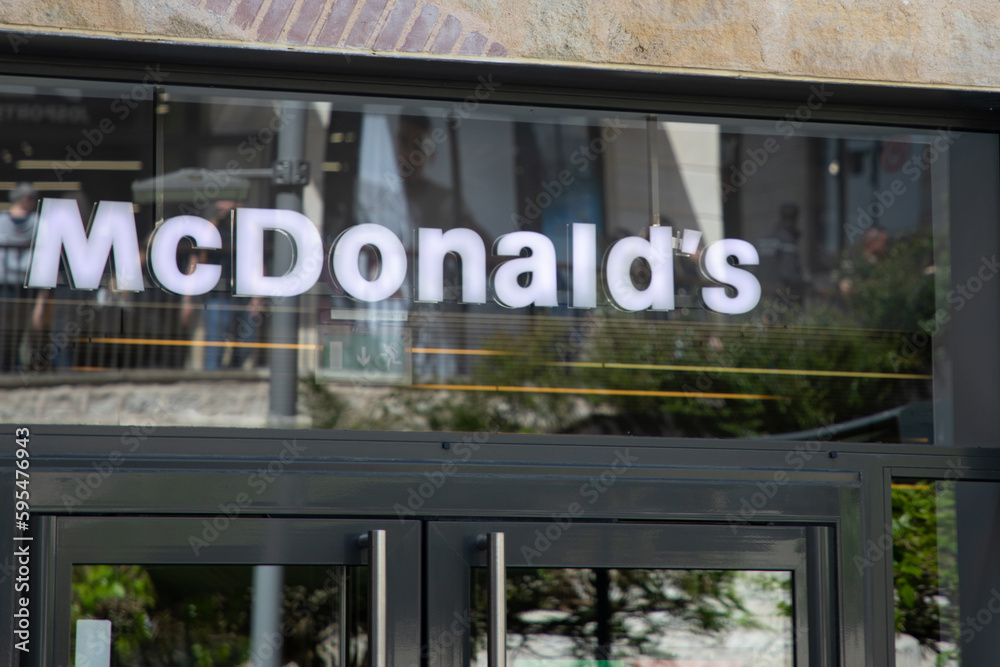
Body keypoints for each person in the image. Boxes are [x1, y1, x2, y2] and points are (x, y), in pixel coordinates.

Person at [0, 183, 40, 372]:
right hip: (25, 286)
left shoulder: (1, 222)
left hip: (5, 283)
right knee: (18, 332)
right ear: (26, 199)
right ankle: (12, 368)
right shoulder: (39, 224)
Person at [756, 202, 806, 301]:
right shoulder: (787, 242)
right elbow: (789, 273)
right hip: (781, 296)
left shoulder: (764, 241)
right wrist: (804, 284)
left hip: (762, 295)